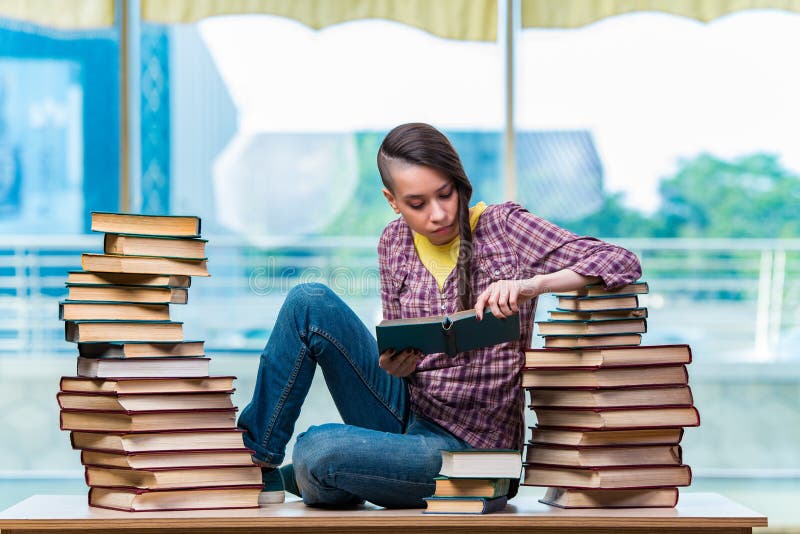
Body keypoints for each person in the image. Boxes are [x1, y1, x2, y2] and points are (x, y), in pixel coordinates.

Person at [237, 122, 642, 508]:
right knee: (309, 302)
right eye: (417, 203)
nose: (438, 214)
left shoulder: (505, 228)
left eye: (445, 194)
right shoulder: (393, 242)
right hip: (408, 414)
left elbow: (619, 260)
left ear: (459, 181)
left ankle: (334, 475)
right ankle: (259, 464)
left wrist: (530, 284)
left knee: (316, 449)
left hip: (470, 452)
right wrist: (393, 365)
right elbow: (398, 346)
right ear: (392, 201)